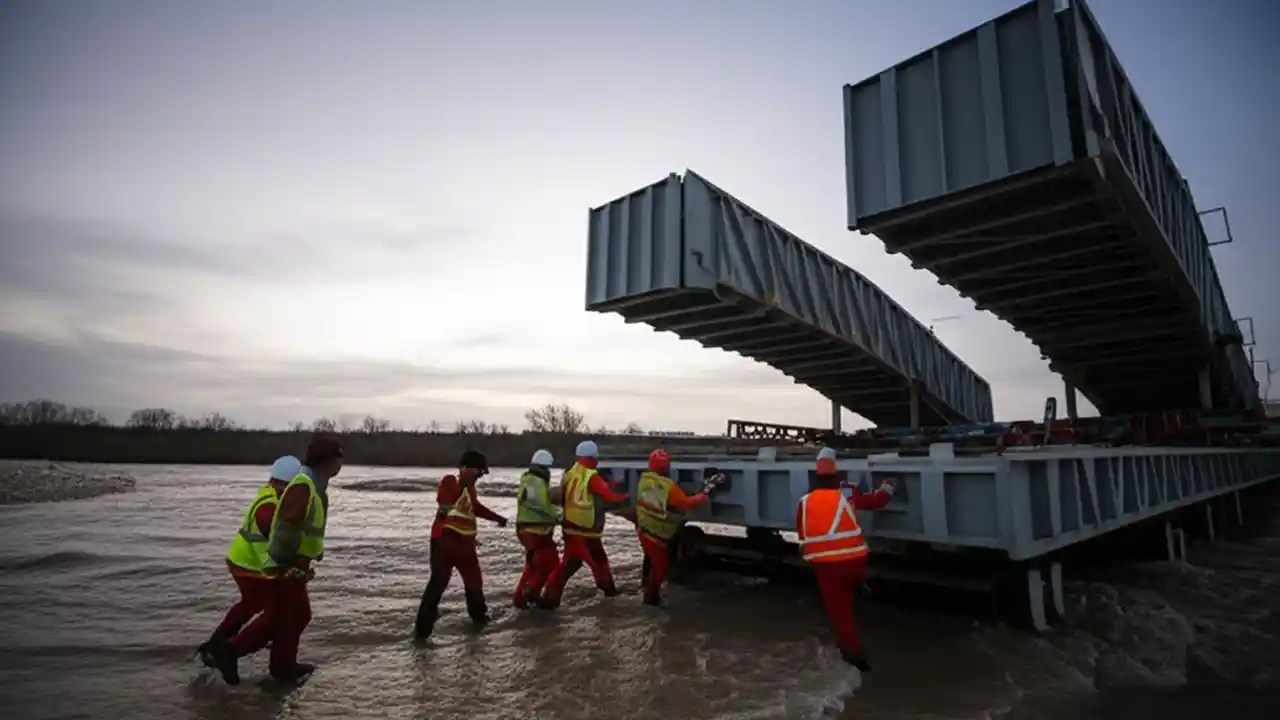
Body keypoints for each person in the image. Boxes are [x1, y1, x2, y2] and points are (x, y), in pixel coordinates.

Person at [205, 435, 344, 685]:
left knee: (291, 614)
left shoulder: (311, 487)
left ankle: (276, 664)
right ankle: (231, 651)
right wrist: (288, 566)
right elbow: (282, 531)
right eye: (339, 459)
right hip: (272, 566)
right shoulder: (299, 489)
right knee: (280, 615)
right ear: (331, 462)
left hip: (280, 565)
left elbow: (301, 529)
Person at [197, 455, 301, 666]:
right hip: (251, 566)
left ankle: (215, 644)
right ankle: (230, 651)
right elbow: (272, 535)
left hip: (242, 561)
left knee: (252, 604)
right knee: (275, 611)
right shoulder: (269, 505)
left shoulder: (269, 495)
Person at [796, 457, 895, 672]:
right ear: (838, 477)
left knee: (840, 614)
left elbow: (803, 536)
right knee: (853, 584)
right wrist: (888, 487)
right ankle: (861, 589)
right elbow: (875, 502)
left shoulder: (804, 502)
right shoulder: (846, 493)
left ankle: (856, 659)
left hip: (826, 567)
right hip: (856, 560)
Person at [413, 449, 508, 640]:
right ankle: (421, 634)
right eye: (478, 472)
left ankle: (479, 624)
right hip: (444, 543)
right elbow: (444, 502)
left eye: (482, 473)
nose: (480, 476)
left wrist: (498, 518)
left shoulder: (469, 489)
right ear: (464, 468)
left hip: (466, 546)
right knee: (437, 585)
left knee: (474, 584)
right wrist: (463, 485)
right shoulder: (450, 482)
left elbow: (476, 508)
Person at [538, 439, 629, 608]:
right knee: (571, 564)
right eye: (596, 458)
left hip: (573, 528)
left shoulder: (571, 473)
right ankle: (549, 598)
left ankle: (608, 591)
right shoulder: (591, 475)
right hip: (585, 530)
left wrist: (609, 485)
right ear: (592, 458)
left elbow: (569, 495)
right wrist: (626, 498)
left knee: (596, 559)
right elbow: (608, 495)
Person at [634, 449, 721, 606]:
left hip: (644, 530)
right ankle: (650, 600)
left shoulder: (643, 480)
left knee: (650, 562)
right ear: (667, 467)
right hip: (658, 536)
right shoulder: (668, 487)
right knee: (660, 569)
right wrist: (706, 492)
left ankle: (645, 588)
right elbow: (687, 504)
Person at [513, 449, 561, 609]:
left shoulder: (527, 480)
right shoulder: (536, 482)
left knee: (536, 563)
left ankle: (529, 594)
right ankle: (526, 594)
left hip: (529, 530)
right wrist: (561, 516)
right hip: (535, 531)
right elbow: (542, 505)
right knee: (548, 563)